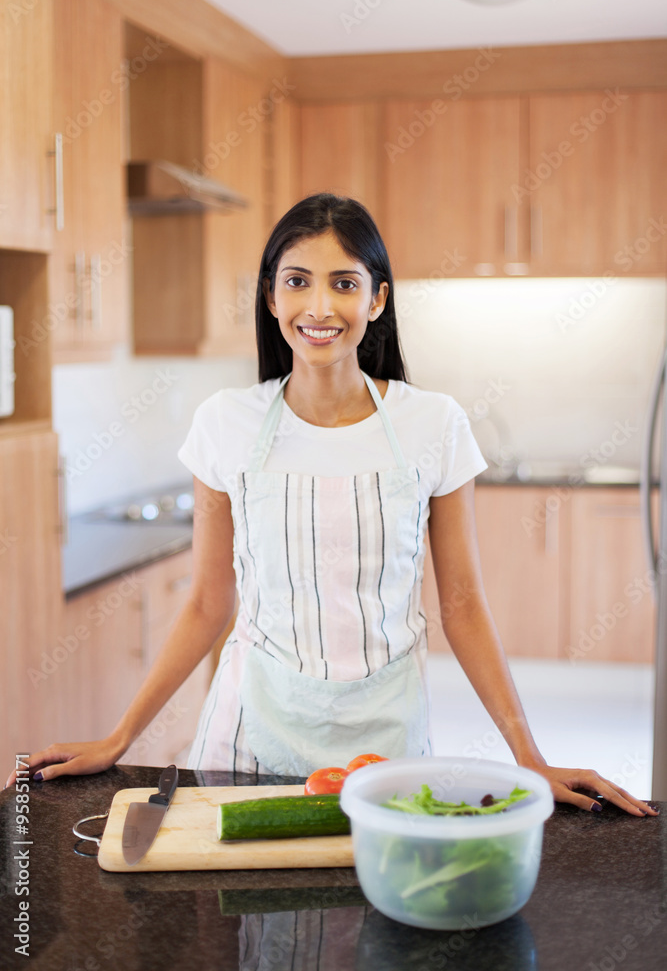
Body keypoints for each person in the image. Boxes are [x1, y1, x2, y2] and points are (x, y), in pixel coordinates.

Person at [4, 194, 658, 816]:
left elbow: (460, 605)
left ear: (377, 298)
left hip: (386, 736)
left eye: (344, 283)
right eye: (296, 281)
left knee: (377, 923)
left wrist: (529, 756)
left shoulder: (432, 424)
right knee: (243, 923)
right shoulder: (225, 422)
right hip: (246, 737)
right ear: (269, 295)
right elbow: (209, 602)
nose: (318, 305)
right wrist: (119, 738)